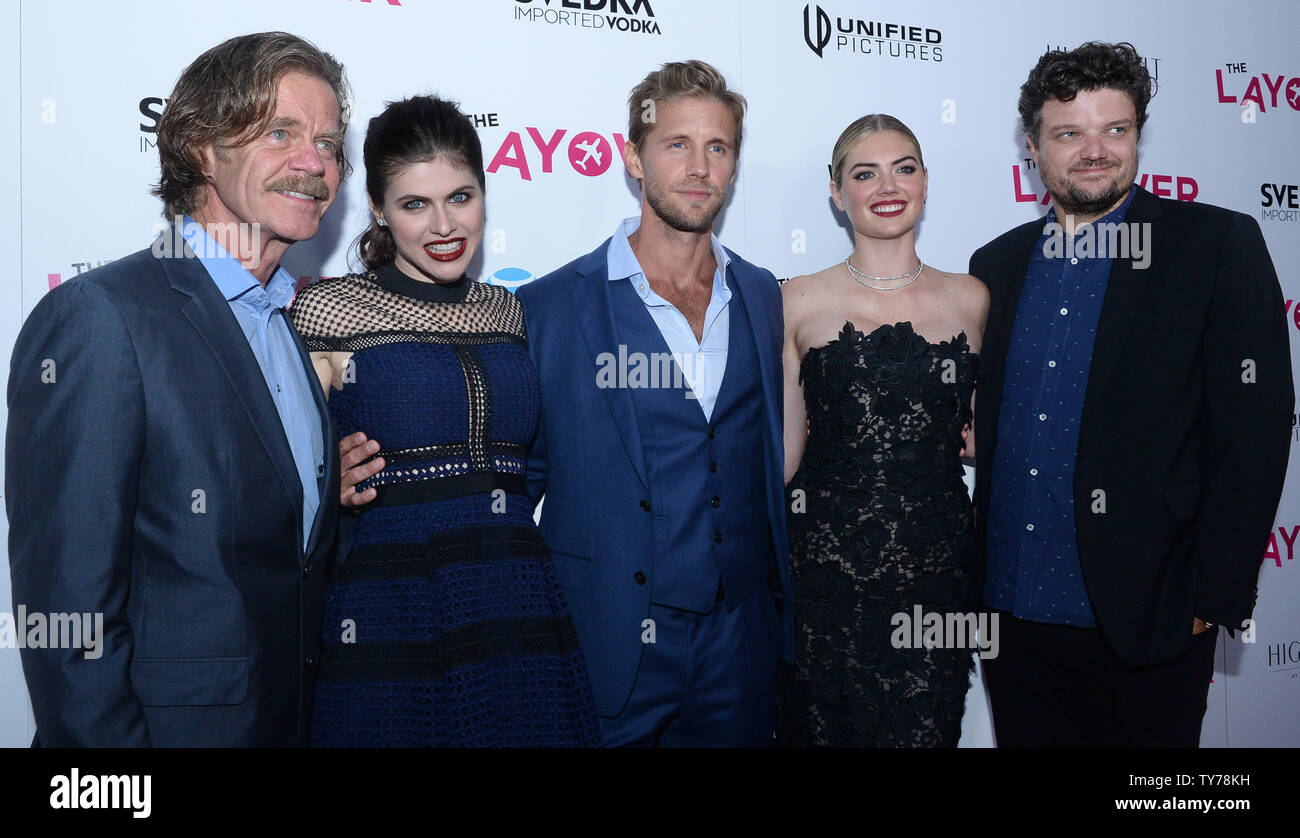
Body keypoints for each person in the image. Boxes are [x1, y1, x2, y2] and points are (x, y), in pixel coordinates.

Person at [6, 32, 347, 746]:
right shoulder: (102, 317)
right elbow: (69, 618)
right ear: (200, 146)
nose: (315, 163)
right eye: (281, 132)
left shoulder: (283, 322)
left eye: (331, 142)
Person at [970, 42, 1292, 747]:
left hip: (1153, 616)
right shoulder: (994, 266)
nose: (1095, 151)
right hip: (1013, 618)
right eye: (1069, 134)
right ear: (1033, 148)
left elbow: (1257, 432)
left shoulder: (1214, 245)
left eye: (1114, 130)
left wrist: (1213, 599)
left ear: (1138, 134)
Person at [289, 95, 600, 747]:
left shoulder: (508, 312)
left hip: (516, 593)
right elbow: (270, 468)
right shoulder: (328, 314)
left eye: (460, 197)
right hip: (388, 599)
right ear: (377, 208)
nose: (443, 225)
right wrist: (323, 480)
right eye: (414, 204)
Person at [515, 60, 794, 746]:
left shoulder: (762, 295)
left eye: (718, 147)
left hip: (741, 644)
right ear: (633, 159)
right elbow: (514, 487)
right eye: (677, 145)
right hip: (608, 642)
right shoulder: (549, 307)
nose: (699, 167)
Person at [775, 115, 990, 747]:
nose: (887, 185)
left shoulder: (972, 297)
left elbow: (978, 433)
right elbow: (785, 452)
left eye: (904, 168)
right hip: (825, 578)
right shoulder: (796, 299)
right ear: (838, 194)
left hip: (939, 573)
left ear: (925, 181)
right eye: (864, 173)